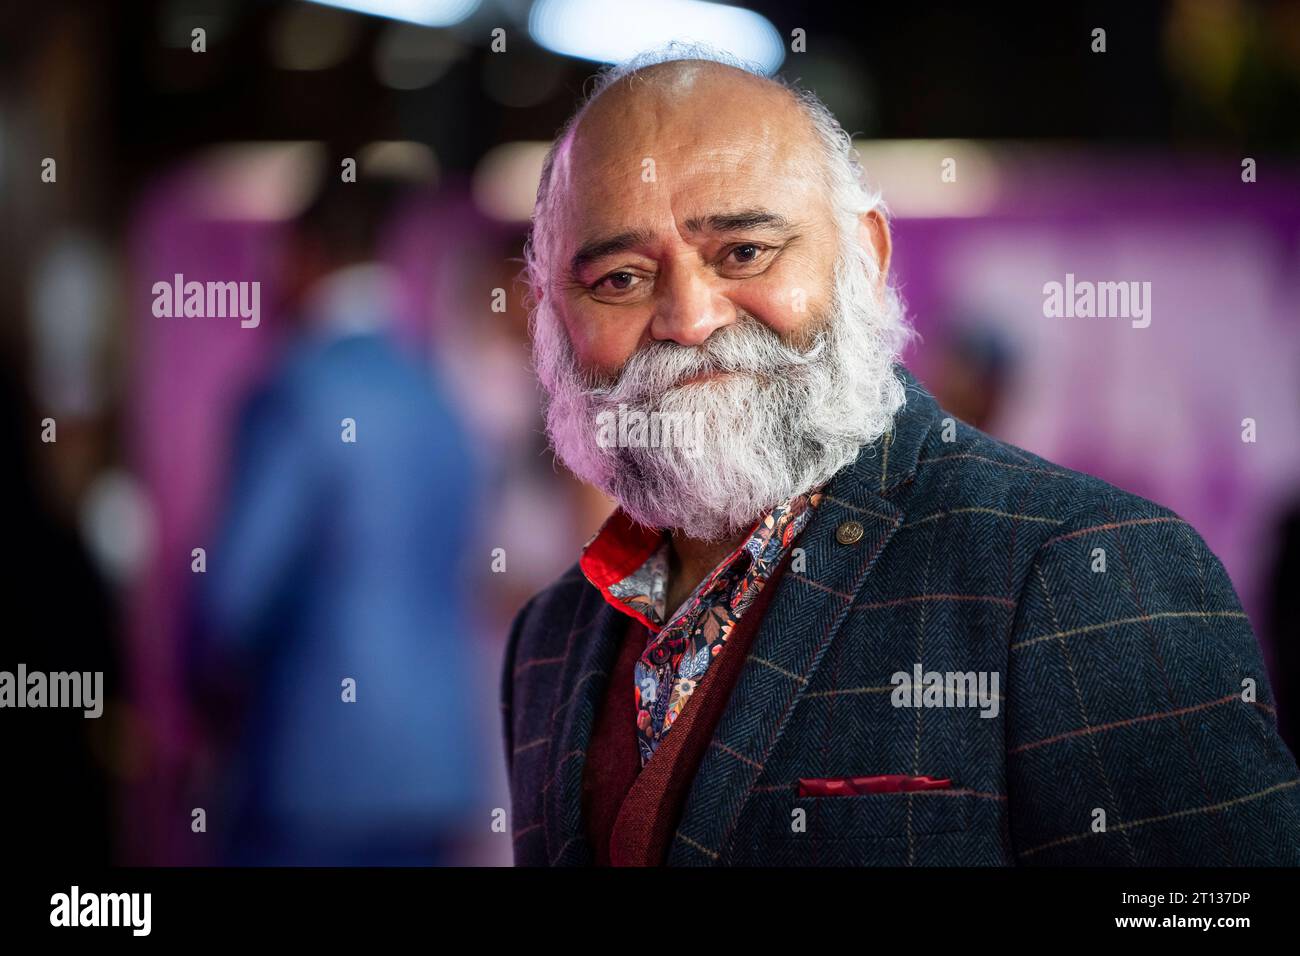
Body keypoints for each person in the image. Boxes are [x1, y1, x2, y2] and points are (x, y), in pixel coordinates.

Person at [500, 45, 1300, 866]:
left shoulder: (1080, 571)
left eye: (744, 252)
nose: (689, 318)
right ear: (550, 314)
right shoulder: (551, 637)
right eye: (621, 280)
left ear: (868, 258)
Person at [195, 172, 485, 865]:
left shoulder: (294, 390)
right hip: (433, 763)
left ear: (305, 255)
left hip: (313, 767)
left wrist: (198, 691)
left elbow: (232, 597)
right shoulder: (438, 392)